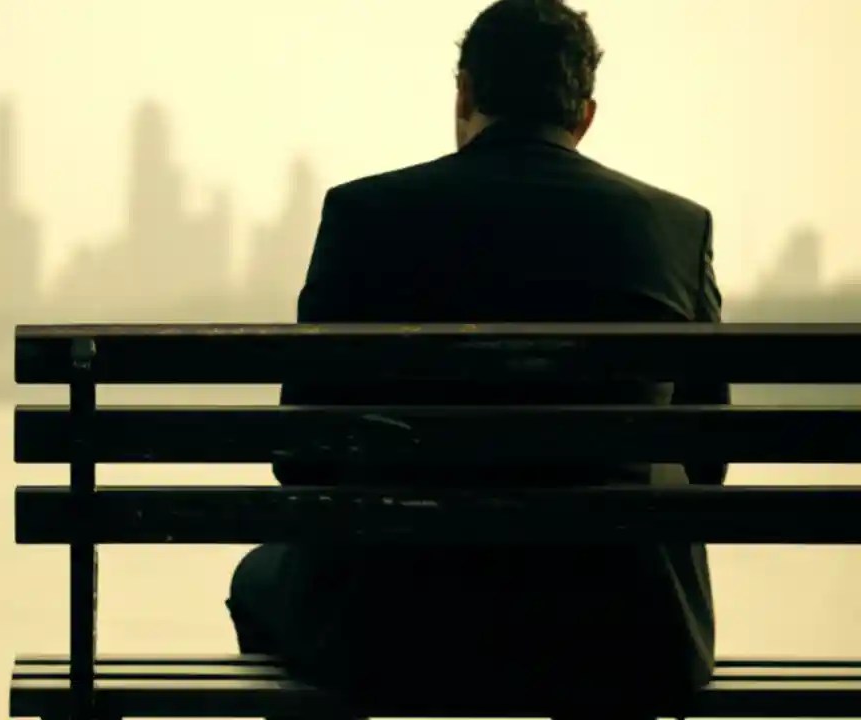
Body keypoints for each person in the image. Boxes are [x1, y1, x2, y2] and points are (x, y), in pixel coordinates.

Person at [225, 0, 728, 717]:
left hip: (394, 628)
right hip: (622, 631)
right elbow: (705, 459)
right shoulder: (677, 229)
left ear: (464, 94)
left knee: (259, 576)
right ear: (584, 114)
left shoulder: (363, 215)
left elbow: (303, 454)